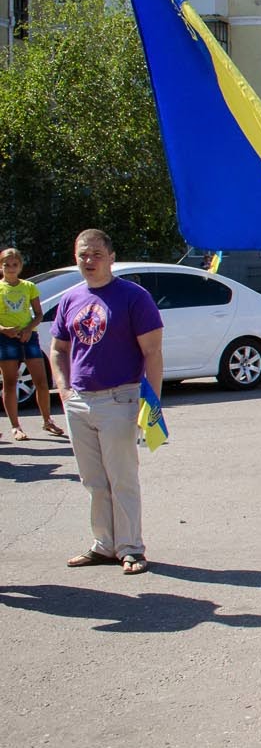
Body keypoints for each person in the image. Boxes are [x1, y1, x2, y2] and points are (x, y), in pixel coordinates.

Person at [49, 229, 163, 576]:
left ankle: (131, 548)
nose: (89, 261)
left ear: (111, 257)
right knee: (93, 480)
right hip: (79, 402)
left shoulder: (133, 297)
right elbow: (58, 349)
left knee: (122, 478)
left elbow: (153, 352)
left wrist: (152, 404)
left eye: (97, 254)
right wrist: (64, 390)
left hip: (120, 397)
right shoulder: (71, 299)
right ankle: (103, 545)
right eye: (83, 254)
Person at [1, 247, 65, 440]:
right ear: (1, 266)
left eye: (15, 264)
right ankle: (15, 425)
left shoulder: (29, 286)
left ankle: (47, 420)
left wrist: (28, 329)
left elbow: (38, 314)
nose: (11, 268)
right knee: (10, 382)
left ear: (20, 266)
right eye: (7, 265)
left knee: (41, 381)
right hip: (6, 338)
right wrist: (4, 329)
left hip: (29, 337)